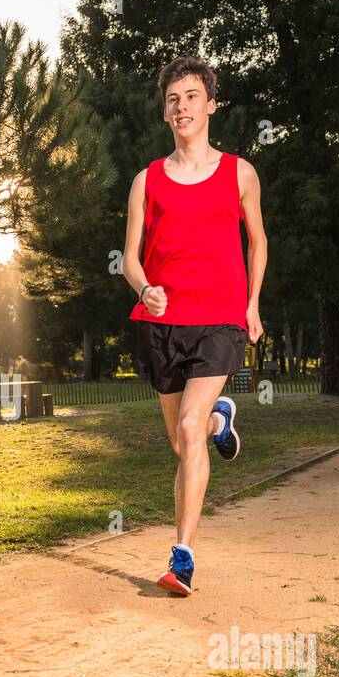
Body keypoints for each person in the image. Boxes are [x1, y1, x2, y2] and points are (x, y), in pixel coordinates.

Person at [121, 56, 268, 596]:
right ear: (166, 113)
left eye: (191, 96)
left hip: (220, 319)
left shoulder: (240, 173)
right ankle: (218, 423)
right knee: (185, 443)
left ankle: (181, 557)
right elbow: (128, 259)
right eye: (172, 100)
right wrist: (144, 288)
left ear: (210, 104)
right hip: (162, 324)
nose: (182, 107)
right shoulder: (147, 180)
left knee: (187, 428)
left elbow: (258, 241)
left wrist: (251, 304)